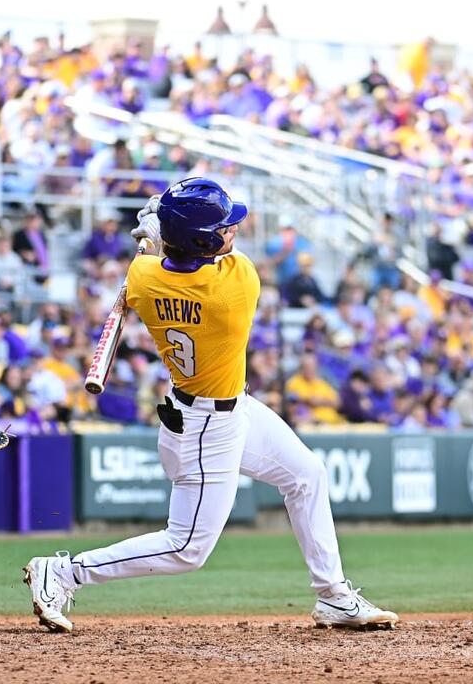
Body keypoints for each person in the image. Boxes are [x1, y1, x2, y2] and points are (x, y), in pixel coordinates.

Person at [23, 177, 397, 632]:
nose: (233, 229)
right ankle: (64, 571)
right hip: (205, 426)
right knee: (186, 548)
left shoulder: (142, 279)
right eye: (223, 227)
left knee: (306, 475)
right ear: (200, 241)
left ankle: (334, 595)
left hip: (224, 407)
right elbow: (181, 255)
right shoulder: (233, 289)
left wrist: (155, 236)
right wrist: (159, 229)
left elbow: (153, 263)